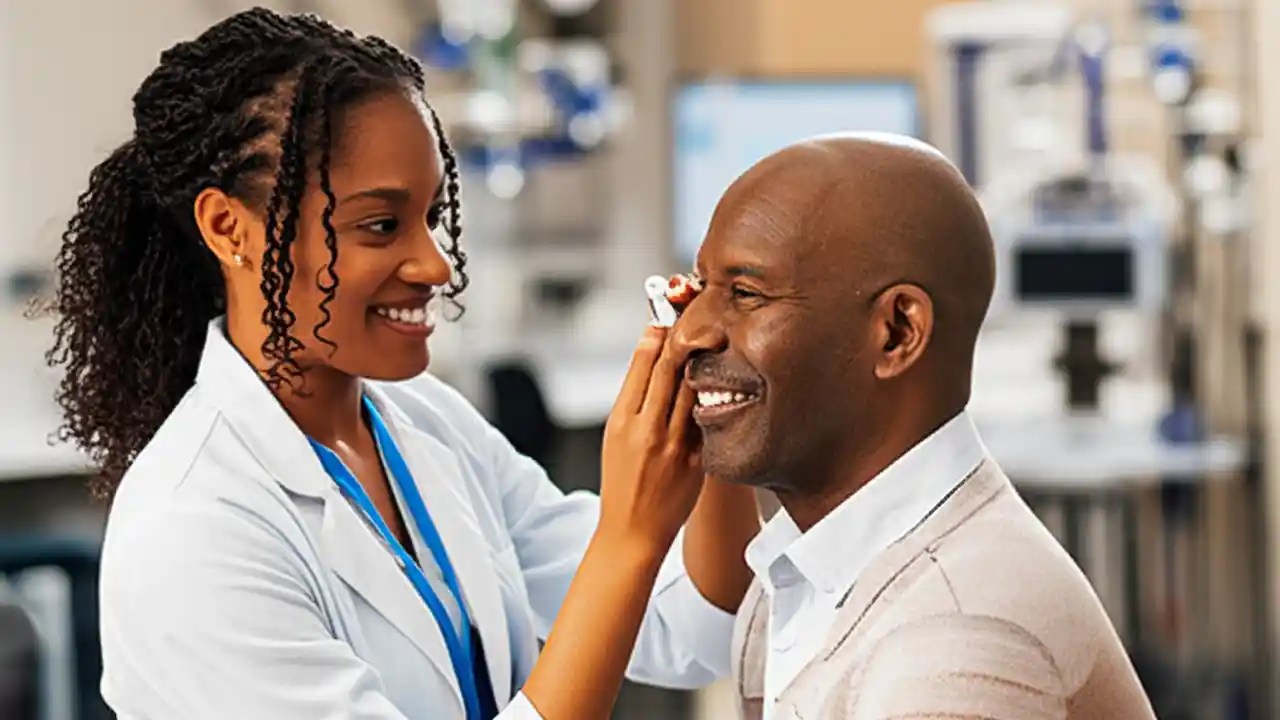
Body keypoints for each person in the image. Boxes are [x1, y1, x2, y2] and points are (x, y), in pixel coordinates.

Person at [43, 9, 759, 719]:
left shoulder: (426, 424)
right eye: (381, 225)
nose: (436, 264)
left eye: (432, 217)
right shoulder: (191, 528)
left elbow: (691, 630)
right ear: (231, 228)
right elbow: (625, 568)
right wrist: (630, 533)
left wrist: (710, 406)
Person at [671, 133, 1157, 719]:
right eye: (699, 287)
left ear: (898, 332)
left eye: (745, 293)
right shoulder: (800, 578)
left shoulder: (955, 642)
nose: (687, 332)